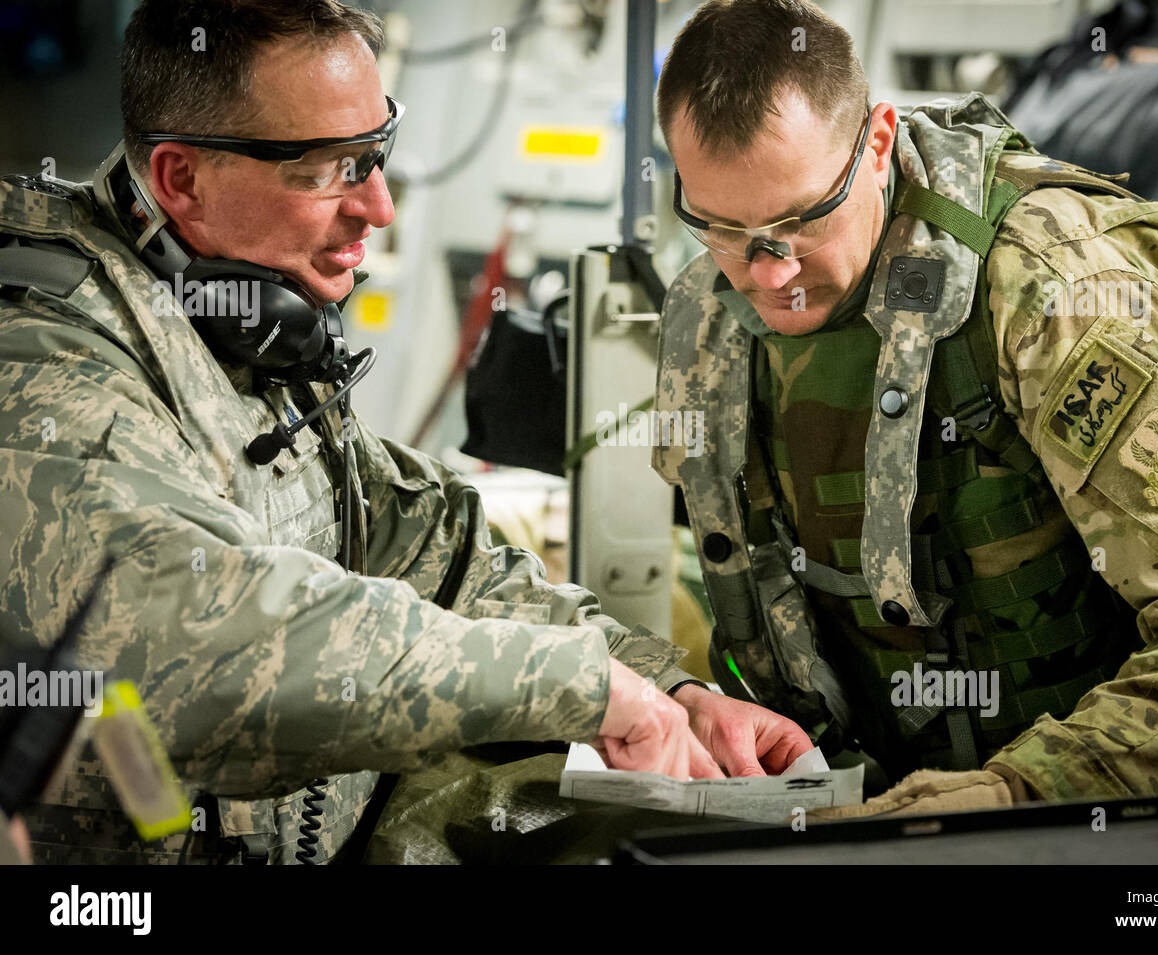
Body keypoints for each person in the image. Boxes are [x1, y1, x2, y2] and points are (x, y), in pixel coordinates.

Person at [0, 0, 811, 864]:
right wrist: (581, 689)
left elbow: (431, 551)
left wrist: (666, 686)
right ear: (181, 178)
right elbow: (189, 640)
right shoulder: (44, 355)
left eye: (376, 155)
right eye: (329, 170)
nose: (379, 207)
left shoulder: (240, 317)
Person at [651, 0, 1158, 817]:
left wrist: (1014, 792)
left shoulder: (1049, 286)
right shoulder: (705, 315)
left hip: (1113, 814)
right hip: (868, 809)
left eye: (801, 220)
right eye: (719, 226)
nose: (767, 273)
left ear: (877, 141)